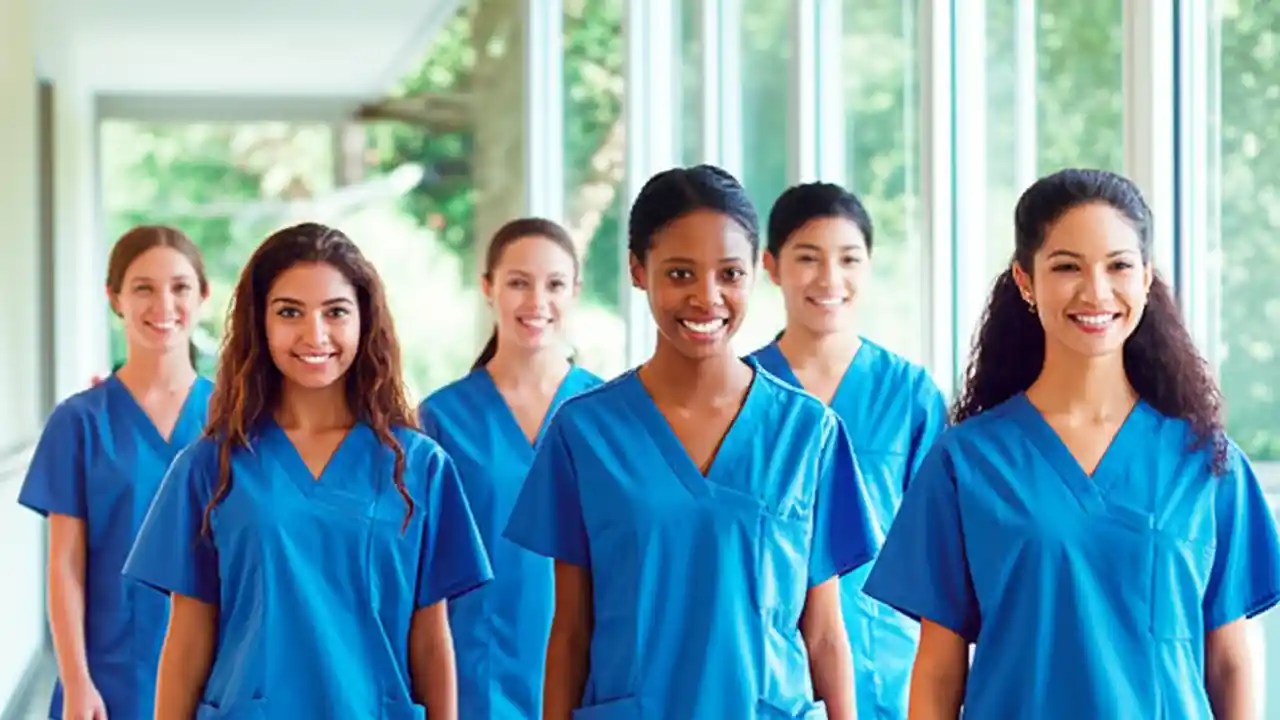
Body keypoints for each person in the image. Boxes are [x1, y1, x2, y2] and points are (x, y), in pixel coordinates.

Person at [863, 168, 1280, 718]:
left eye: (1119, 266)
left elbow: (1229, 661)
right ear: (1025, 281)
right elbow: (940, 668)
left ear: (1146, 279)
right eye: (1067, 267)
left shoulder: (1207, 463)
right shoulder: (966, 462)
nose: (1096, 291)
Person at [503, 164, 880, 719]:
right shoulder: (585, 434)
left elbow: (823, 632)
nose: (707, 298)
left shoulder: (807, 433)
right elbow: (571, 631)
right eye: (680, 274)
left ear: (755, 272)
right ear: (638, 270)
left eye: (729, 274)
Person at [122, 222, 493, 719]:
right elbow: (188, 635)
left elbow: (430, 637)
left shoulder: (420, 468)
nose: (314, 334)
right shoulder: (211, 467)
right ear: (261, 323)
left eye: (335, 312)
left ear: (364, 320)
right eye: (290, 312)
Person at [749, 181, 947, 720]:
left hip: (887, 667)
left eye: (848, 259)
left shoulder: (909, 395)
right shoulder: (742, 393)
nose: (829, 279)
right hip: (769, 666)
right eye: (808, 258)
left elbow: (943, 555)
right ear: (771, 265)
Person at [18, 225, 213, 720]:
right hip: (111, 676)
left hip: (217, 675)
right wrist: (77, 680)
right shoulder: (80, 422)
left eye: (180, 287)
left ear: (203, 296)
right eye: (143, 287)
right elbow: (65, 565)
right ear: (115, 298)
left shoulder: (233, 420)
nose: (162, 304)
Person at [418, 217, 602, 719]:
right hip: (478, 679)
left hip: (592, 674)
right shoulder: (441, 420)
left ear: (575, 292)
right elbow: (419, 570)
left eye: (554, 284)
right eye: (518, 282)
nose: (537, 302)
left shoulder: (607, 412)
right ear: (488, 288)